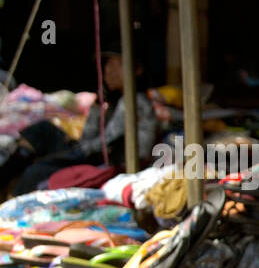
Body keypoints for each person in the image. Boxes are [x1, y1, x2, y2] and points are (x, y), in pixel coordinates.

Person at [0, 47, 156, 199]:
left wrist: (74, 150)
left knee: (36, 171)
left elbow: (104, 143)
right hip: (94, 154)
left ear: (137, 70)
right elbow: (88, 136)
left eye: (118, 64)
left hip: (109, 162)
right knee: (41, 130)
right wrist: (97, 108)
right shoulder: (115, 101)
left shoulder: (135, 101)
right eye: (108, 64)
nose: (109, 70)